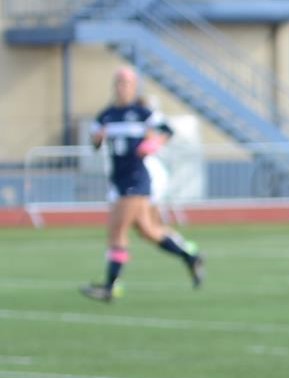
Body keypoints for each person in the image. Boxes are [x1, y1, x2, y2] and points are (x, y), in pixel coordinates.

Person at [80, 67, 204, 302]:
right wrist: (97, 140)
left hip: (136, 180)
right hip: (119, 180)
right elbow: (95, 143)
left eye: (127, 83)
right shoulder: (106, 115)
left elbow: (167, 130)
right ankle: (190, 256)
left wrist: (154, 143)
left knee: (117, 231)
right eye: (119, 82)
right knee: (148, 232)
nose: (122, 87)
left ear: (134, 86)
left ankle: (111, 286)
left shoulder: (142, 113)